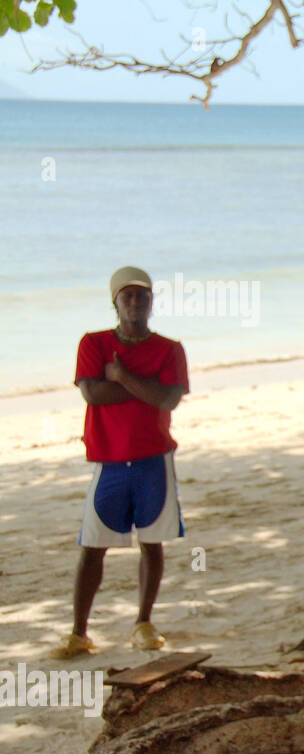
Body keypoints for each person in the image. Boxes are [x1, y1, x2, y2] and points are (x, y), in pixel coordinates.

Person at [58, 266, 189, 658]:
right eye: (127, 296)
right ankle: (79, 631)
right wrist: (144, 387)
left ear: (152, 301)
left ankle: (143, 622)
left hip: (154, 457)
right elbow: (93, 395)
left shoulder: (169, 349)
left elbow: (167, 401)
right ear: (114, 301)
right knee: (93, 545)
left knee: (152, 542)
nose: (135, 303)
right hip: (109, 458)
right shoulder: (93, 343)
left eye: (142, 296)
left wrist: (120, 375)